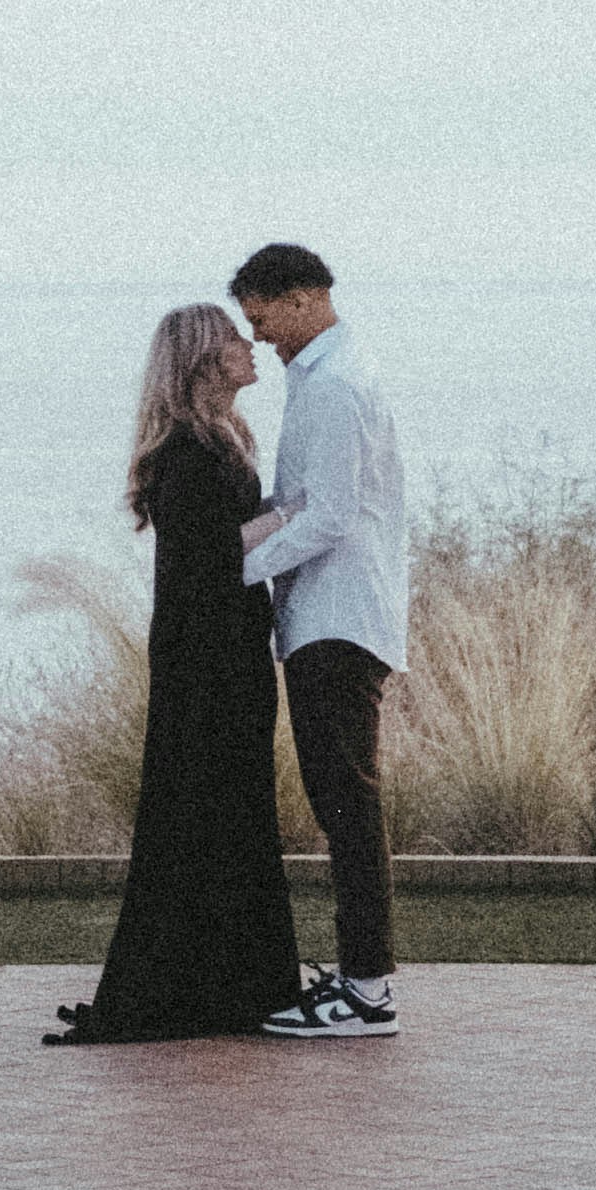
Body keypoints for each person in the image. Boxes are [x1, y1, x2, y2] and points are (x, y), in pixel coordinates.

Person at [44, 302, 310, 1045]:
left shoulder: (223, 441)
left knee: (233, 812)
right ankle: (198, 987)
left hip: (228, 650)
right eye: (232, 338)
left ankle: (232, 984)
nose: (248, 345)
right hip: (203, 660)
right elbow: (209, 561)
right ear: (201, 358)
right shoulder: (187, 454)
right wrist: (295, 517)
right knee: (203, 808)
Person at [230, 242, 407, 1040]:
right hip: (325, 619)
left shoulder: (335, 386)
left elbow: (330, 515)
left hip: (337, 621)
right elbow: (299, 496)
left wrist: (242, 573)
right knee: (343, 802)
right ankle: (361, 978)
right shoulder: (324, 379)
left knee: (347, 804)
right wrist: (234, 540)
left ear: (302, 299)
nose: (260, 336)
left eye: (262, 318)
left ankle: (368, 992)